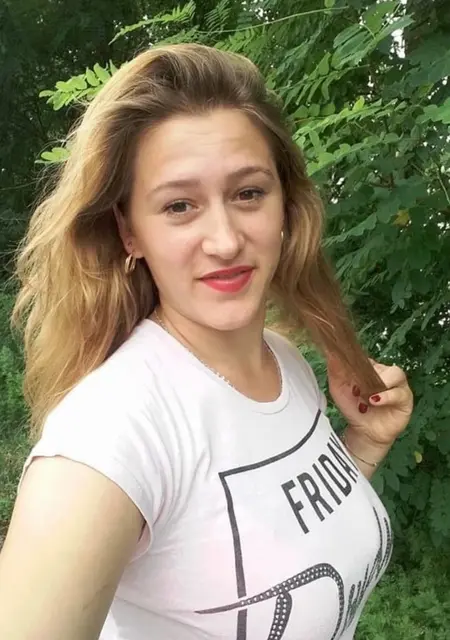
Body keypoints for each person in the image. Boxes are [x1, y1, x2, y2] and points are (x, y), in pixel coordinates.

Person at [0, 43, 413, 640]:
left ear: (286, 207)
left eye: (248, 193)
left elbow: (288, 540)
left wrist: (365, 446)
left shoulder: (284, 361)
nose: (224, 240)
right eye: (179, 205)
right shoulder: (108, 439)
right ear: (129, 232)